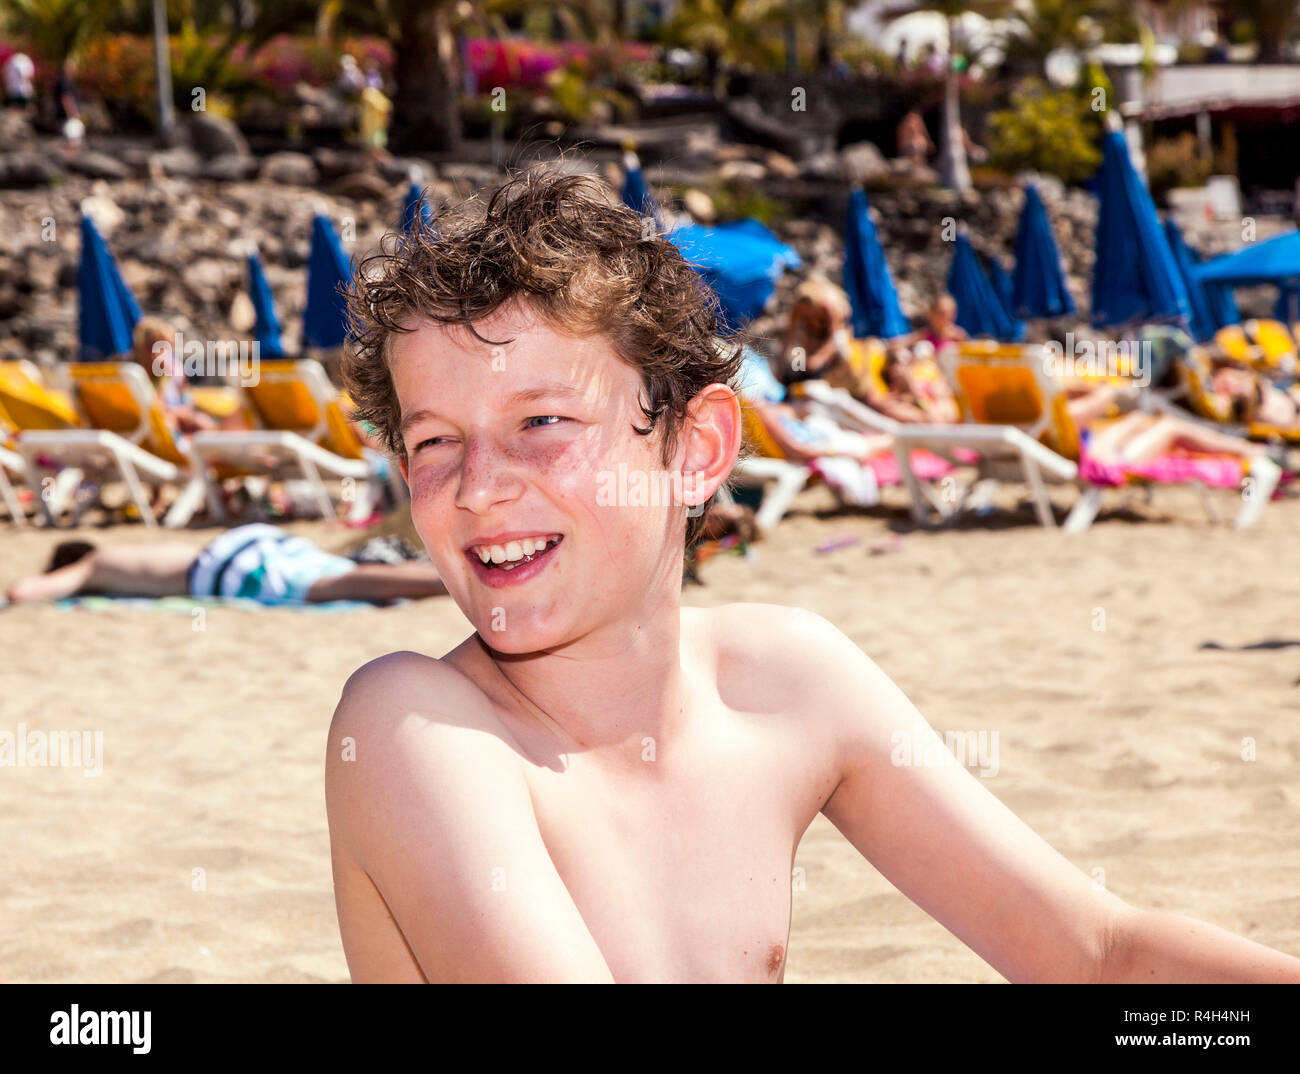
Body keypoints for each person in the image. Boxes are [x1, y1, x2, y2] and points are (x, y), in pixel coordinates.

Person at [325, 166, 1300, 984]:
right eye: (434, 442)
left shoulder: (782, 681)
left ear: (696, 447)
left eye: (541, 423)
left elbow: (1096, 955)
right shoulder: (419, 730)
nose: (481, 489)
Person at [5, 525, 447, 606]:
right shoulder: (127, 555)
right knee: (341, 575)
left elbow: (25, 593)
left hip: (232, 566)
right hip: (252, 544)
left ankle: (443, 581)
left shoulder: (96, 564)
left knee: (343, 582)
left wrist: (26, 590)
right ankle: (442, 576)